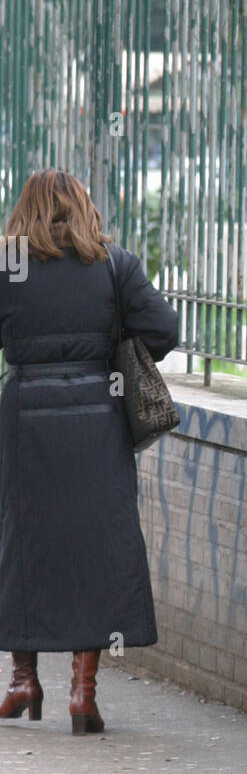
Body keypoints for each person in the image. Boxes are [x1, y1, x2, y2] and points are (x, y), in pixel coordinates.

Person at [0, 169, 179, 733]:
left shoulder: (9, 264)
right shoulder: (111, 264)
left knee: (20, 541)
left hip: (25, 415)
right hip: (97, 416)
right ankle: (83, 692)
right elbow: (164, 329)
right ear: (83, 206)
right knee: (97, 545)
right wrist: (112, 341)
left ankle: (23, 681)